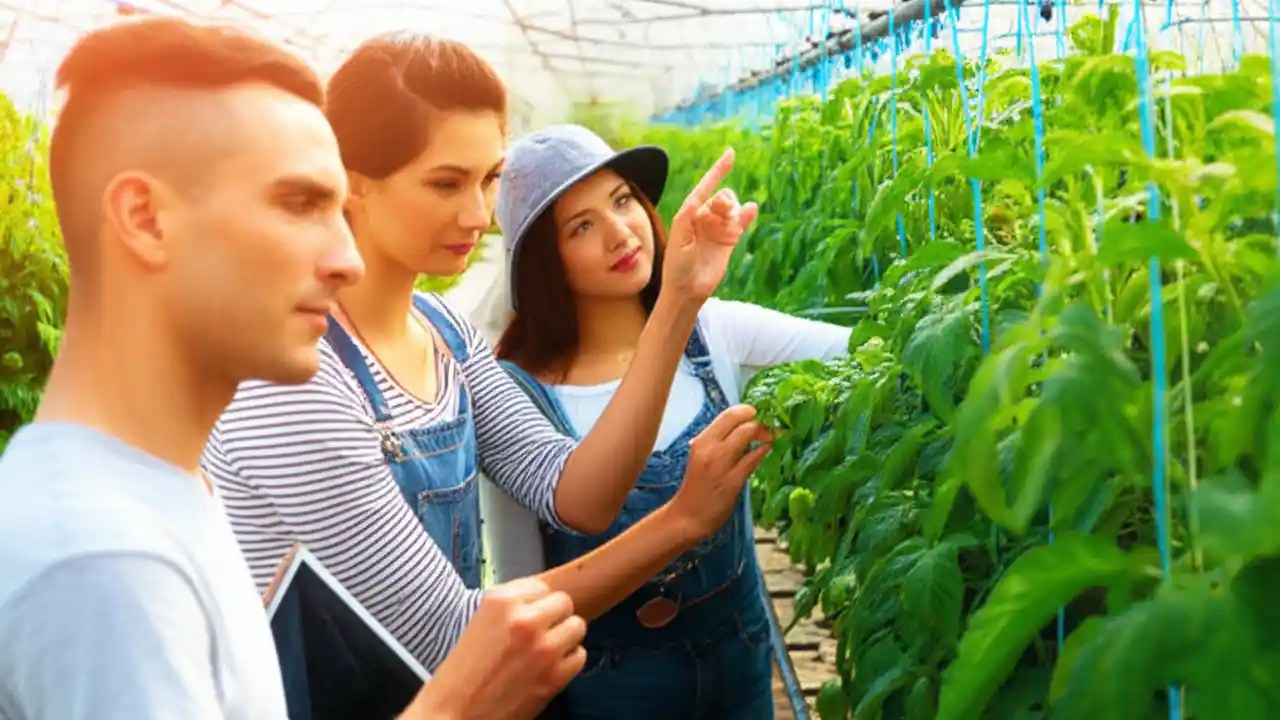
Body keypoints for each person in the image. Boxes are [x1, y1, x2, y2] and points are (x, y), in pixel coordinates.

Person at [0, 17, 589, 720]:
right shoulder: (103, 564)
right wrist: (458, 705)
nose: (345, 258)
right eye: (299, 203)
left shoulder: (160, 495)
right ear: (146, 218)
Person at [202, 30, 768, 679]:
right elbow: (451, 636)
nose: (479, 216)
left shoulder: (446, 332)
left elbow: (576, 493)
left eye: (489, 179)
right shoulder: (294, 378)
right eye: (446, 184)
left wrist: (676, 301)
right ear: (353, 184)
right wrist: (681, 522)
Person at [495, 124, 855, 719]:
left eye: (622, 201)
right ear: (543, 264)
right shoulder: (518, 398)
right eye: (581, 226)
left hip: (738, 658)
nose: (620, 233)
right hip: (609, 691)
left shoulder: (711, 332)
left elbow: (864, 349)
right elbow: (525, 594)